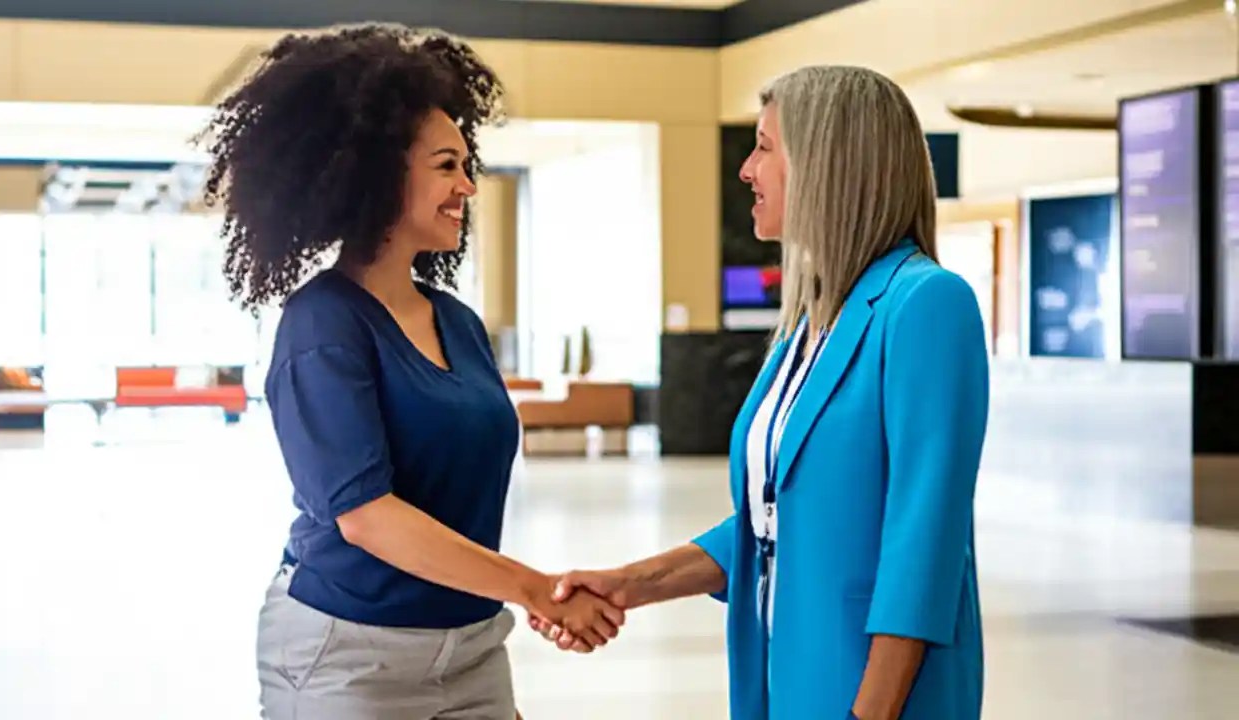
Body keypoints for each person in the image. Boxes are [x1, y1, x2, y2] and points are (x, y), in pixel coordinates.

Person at [531, 65, 990, 720]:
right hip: (783, 667)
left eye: (766, 148)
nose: (747, 170)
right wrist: (630, 584)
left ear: (829, 165)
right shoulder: (810, 323)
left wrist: (871, 714)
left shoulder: (925, 304)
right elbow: (773, 519)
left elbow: (925, 544)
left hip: (874, 689)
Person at [199, 23, 624, 719]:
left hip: (473, 647)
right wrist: (534, 587)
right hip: (345, 656)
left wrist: (512, 599)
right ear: (378, 172)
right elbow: (368, 518)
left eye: (467, 163)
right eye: (446, 165)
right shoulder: (322, 326)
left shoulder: (457, 322)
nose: (468, 186)